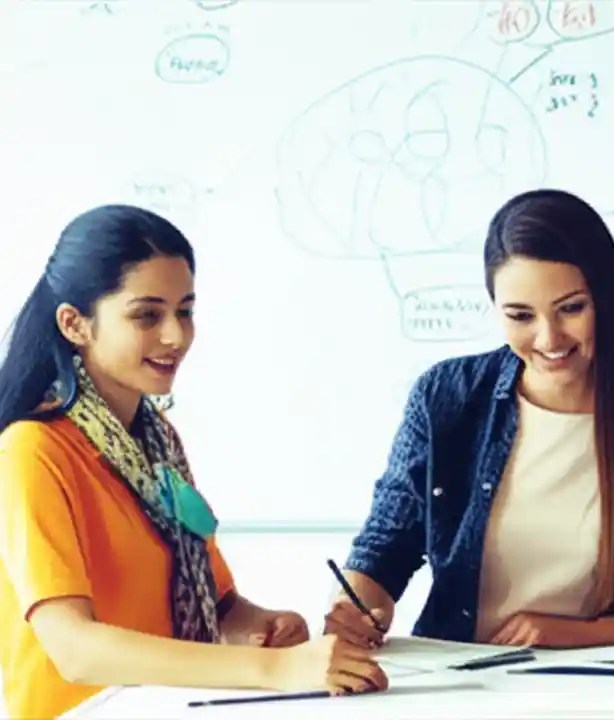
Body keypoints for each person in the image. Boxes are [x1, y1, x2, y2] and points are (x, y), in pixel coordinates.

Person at [324, 188, 614, 650]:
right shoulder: (447, 398)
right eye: (520, 316)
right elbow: (383, 551)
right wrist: (352, 610)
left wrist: (585, 635)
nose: (549, 338)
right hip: (456, 679)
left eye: (571, 308)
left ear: (608, 298)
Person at [0, 205, 387, 719]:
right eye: (146, 315)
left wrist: (269, 629)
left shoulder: (157, 442)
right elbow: (74, 650)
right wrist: (278, 672)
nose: (176, 336)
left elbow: (218, 603)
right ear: (75, 324)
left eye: (184, 310)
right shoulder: (32, 450)